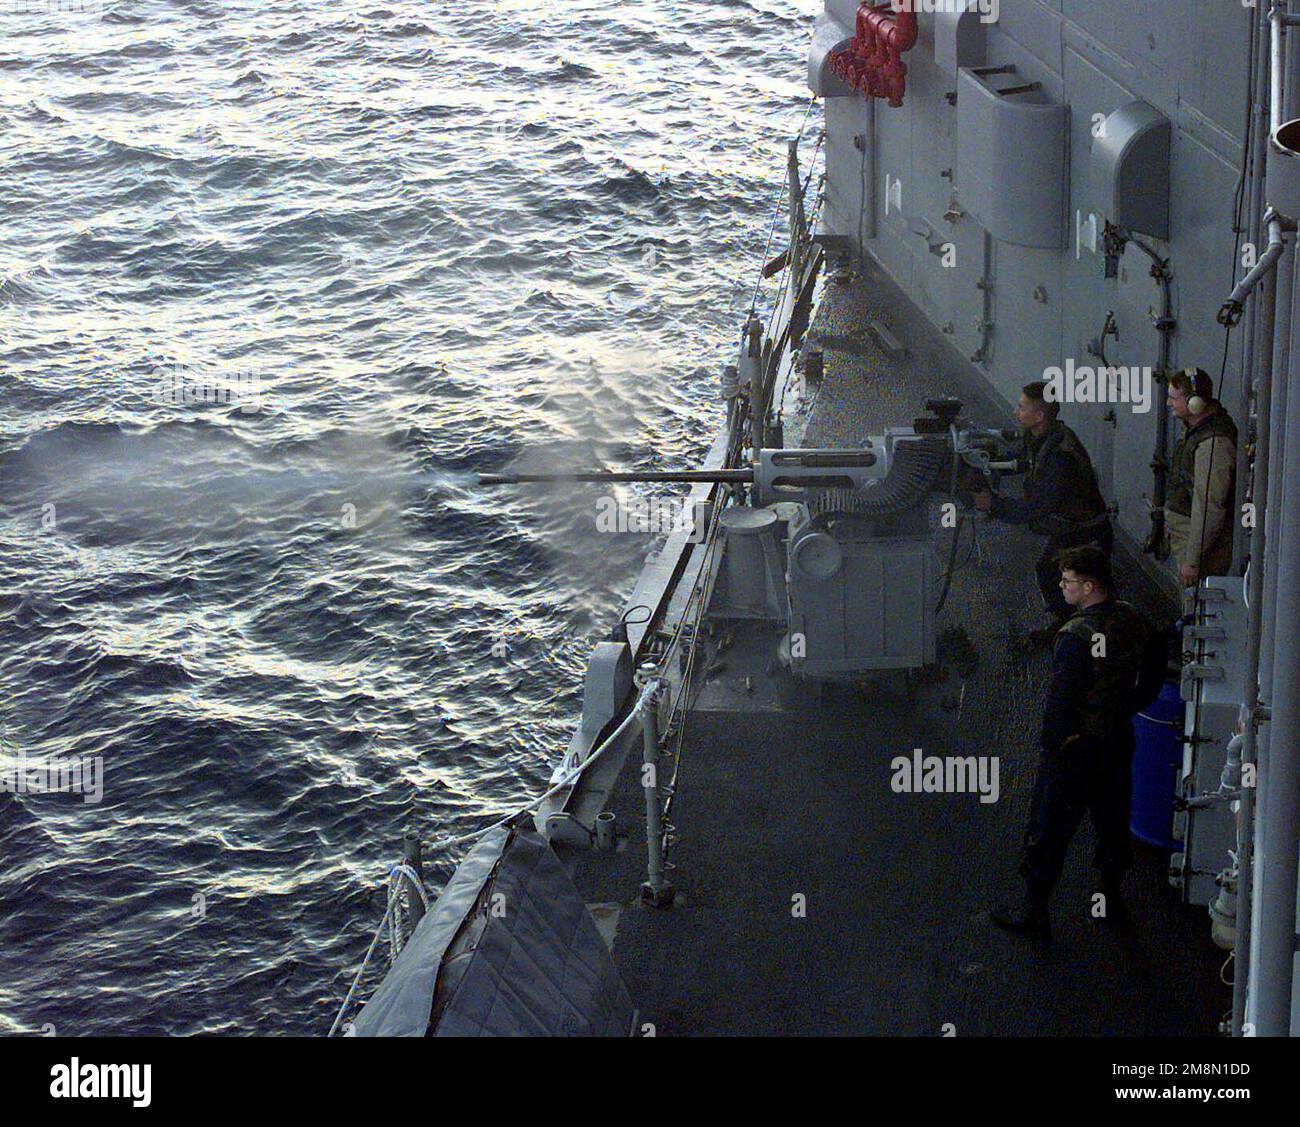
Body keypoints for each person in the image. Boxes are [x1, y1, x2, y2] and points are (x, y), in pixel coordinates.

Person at [992, 546, 1166, 940]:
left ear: (1089, 587)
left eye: (1068, 581)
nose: (1061, 586)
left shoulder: (1075, 636)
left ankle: (1034, 912)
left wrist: (1053, 747)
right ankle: (1110, 902)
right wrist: (1133, 704)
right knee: (1111, 822)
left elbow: (1062, 701)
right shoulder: (1133, 618)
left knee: (1049, 829)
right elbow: (1156, 665)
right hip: (1117, 742)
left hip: (1075, 752)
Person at [972, 381, 1112, 640]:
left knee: (1081, 587)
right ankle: (1068, 625)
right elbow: (1023, 460)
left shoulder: (1061, 457)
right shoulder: (1042, 436)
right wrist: (986, 460)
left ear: (1039, 416)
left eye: (1021, 407)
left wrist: (993, 505)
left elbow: (1037, 508)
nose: (1016, 412)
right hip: (1071, 527)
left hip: (1086, 533)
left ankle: (1088, 635)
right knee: (1049, 572)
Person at [1164, 368, 1238, 588]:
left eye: (1173, 398)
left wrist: (1192, 561)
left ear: (1194, 403)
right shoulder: (1199, 431)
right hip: (1188, 537)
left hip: (1197, 546)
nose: (1169, 403)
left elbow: (1208, 506)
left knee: (1194, 605)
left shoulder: (1213, 444)